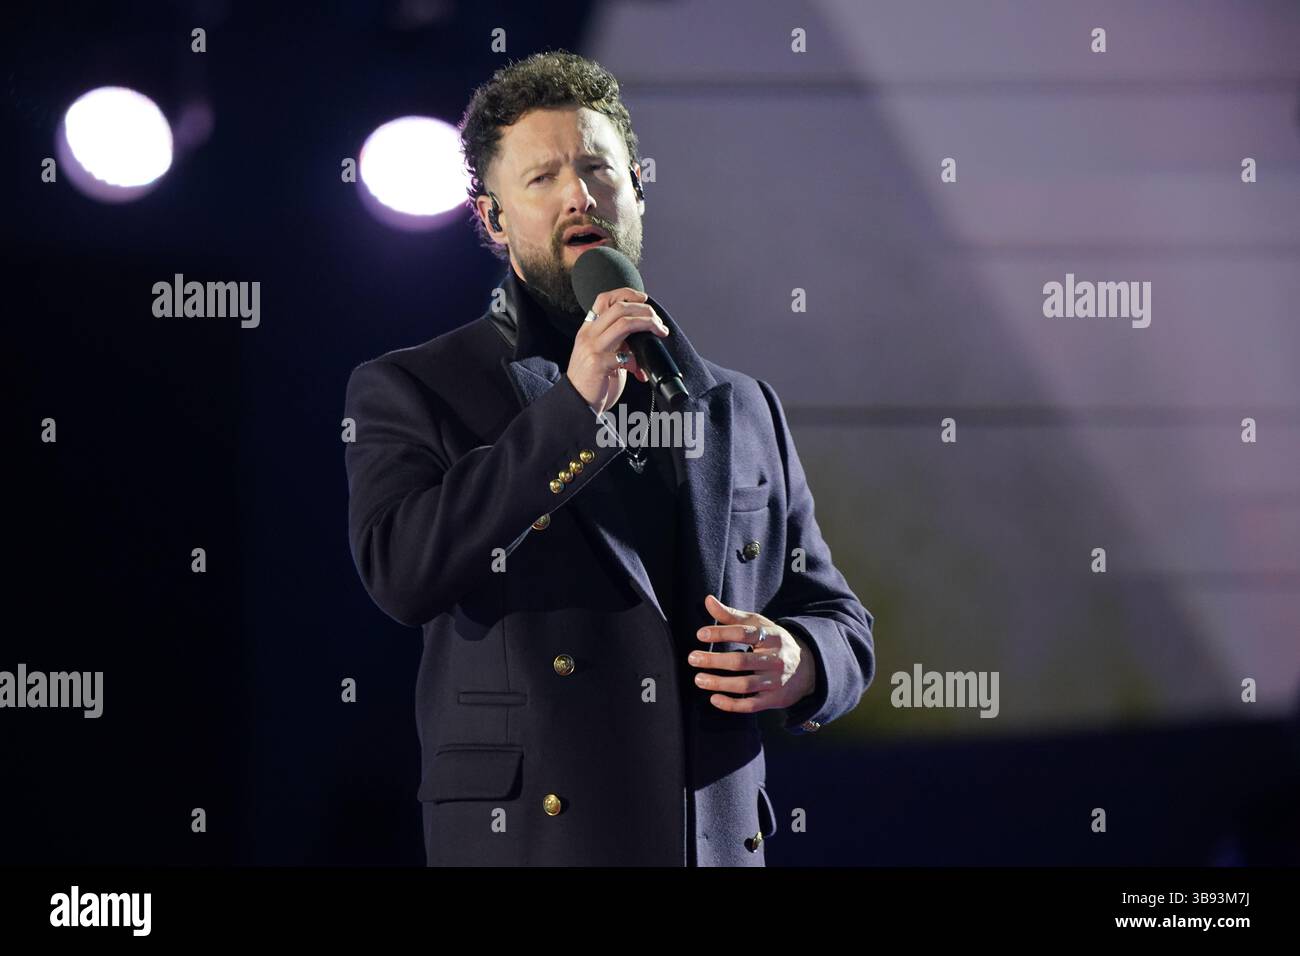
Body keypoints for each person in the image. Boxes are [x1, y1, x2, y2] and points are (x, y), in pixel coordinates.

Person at [343, 50, 875, 866]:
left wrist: (802, 661)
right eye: (543, 178)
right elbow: (402, 572)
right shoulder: (416, 385)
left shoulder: (739, 405)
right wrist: (574, 413)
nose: (578, 194)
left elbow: (839, 618)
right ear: (491, 220)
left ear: (637, 191)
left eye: (598, 168)